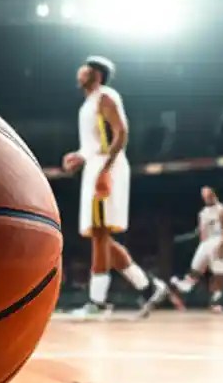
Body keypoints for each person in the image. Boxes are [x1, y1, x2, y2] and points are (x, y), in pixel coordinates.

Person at [61, 55, 168, 318]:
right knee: (102, 236)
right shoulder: (87, 104)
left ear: (96, 74)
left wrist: (105, 171)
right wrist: (80, 156)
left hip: (108, 167)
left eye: (85, 66)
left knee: (99, 233)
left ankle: (98, 303)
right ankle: (149, 287)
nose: (80, 70)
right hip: (95, 165)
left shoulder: (105, 96)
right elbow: (94, 143)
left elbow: (121, 133)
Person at [172, 186, 223, 313]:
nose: (206, 197)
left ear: (214, 194)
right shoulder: (203, 212)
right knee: (194, 271)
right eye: (204, 195)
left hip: (218, 241)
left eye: (208, 194)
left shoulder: (221, 209)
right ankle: (178, 296)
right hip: (205, 244)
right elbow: (200, 232)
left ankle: (215, 302)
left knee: (219, 274)